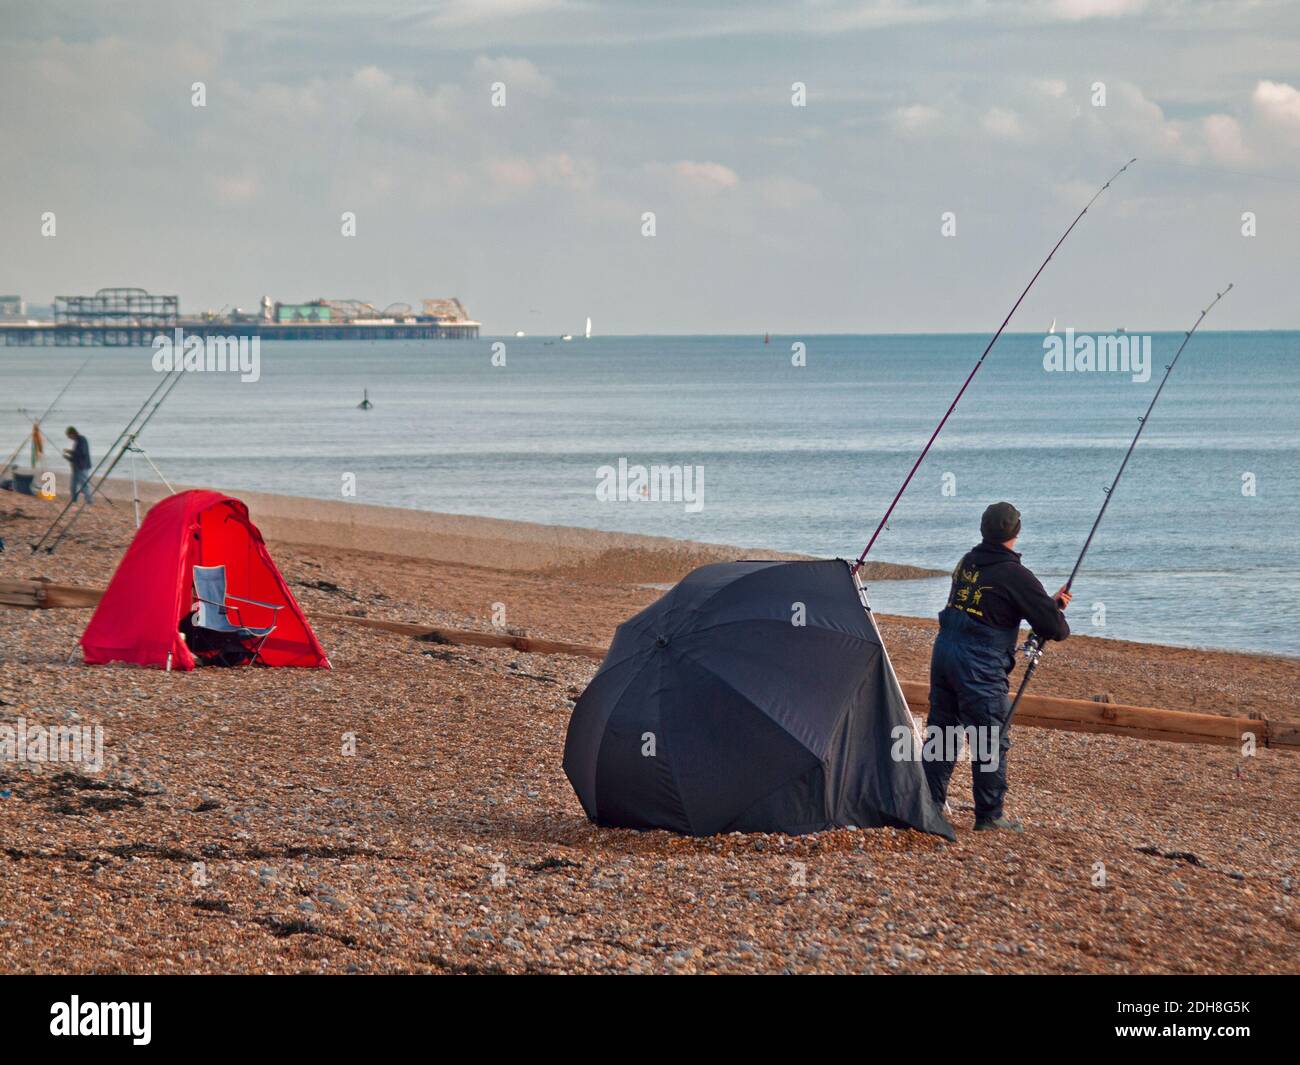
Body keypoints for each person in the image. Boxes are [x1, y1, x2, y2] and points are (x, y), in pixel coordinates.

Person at [923, 501, 1071, 833]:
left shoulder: (967, 562)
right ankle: (989, 816)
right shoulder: (1015, 574)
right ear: (1016, 533)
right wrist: (1054, 611)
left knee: (943, 730)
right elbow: (1054, 629)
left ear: (982, 529)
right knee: (989, 736)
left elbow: (995, 604)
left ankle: (928, 805)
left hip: (945, 652)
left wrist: (1048, 605)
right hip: (979, 664)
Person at [63, 426, 93, 504]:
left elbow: (82, 453)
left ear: (72, 433)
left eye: (69, 436)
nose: (69, 438)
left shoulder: (82, 440)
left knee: (84, 485)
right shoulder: (77, 441)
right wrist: (68, 457)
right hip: (76, 468)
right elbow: (75, 457)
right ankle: (74, 500)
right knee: (73, 486)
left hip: (82, 467)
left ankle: (89, 501)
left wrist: (70, 452)